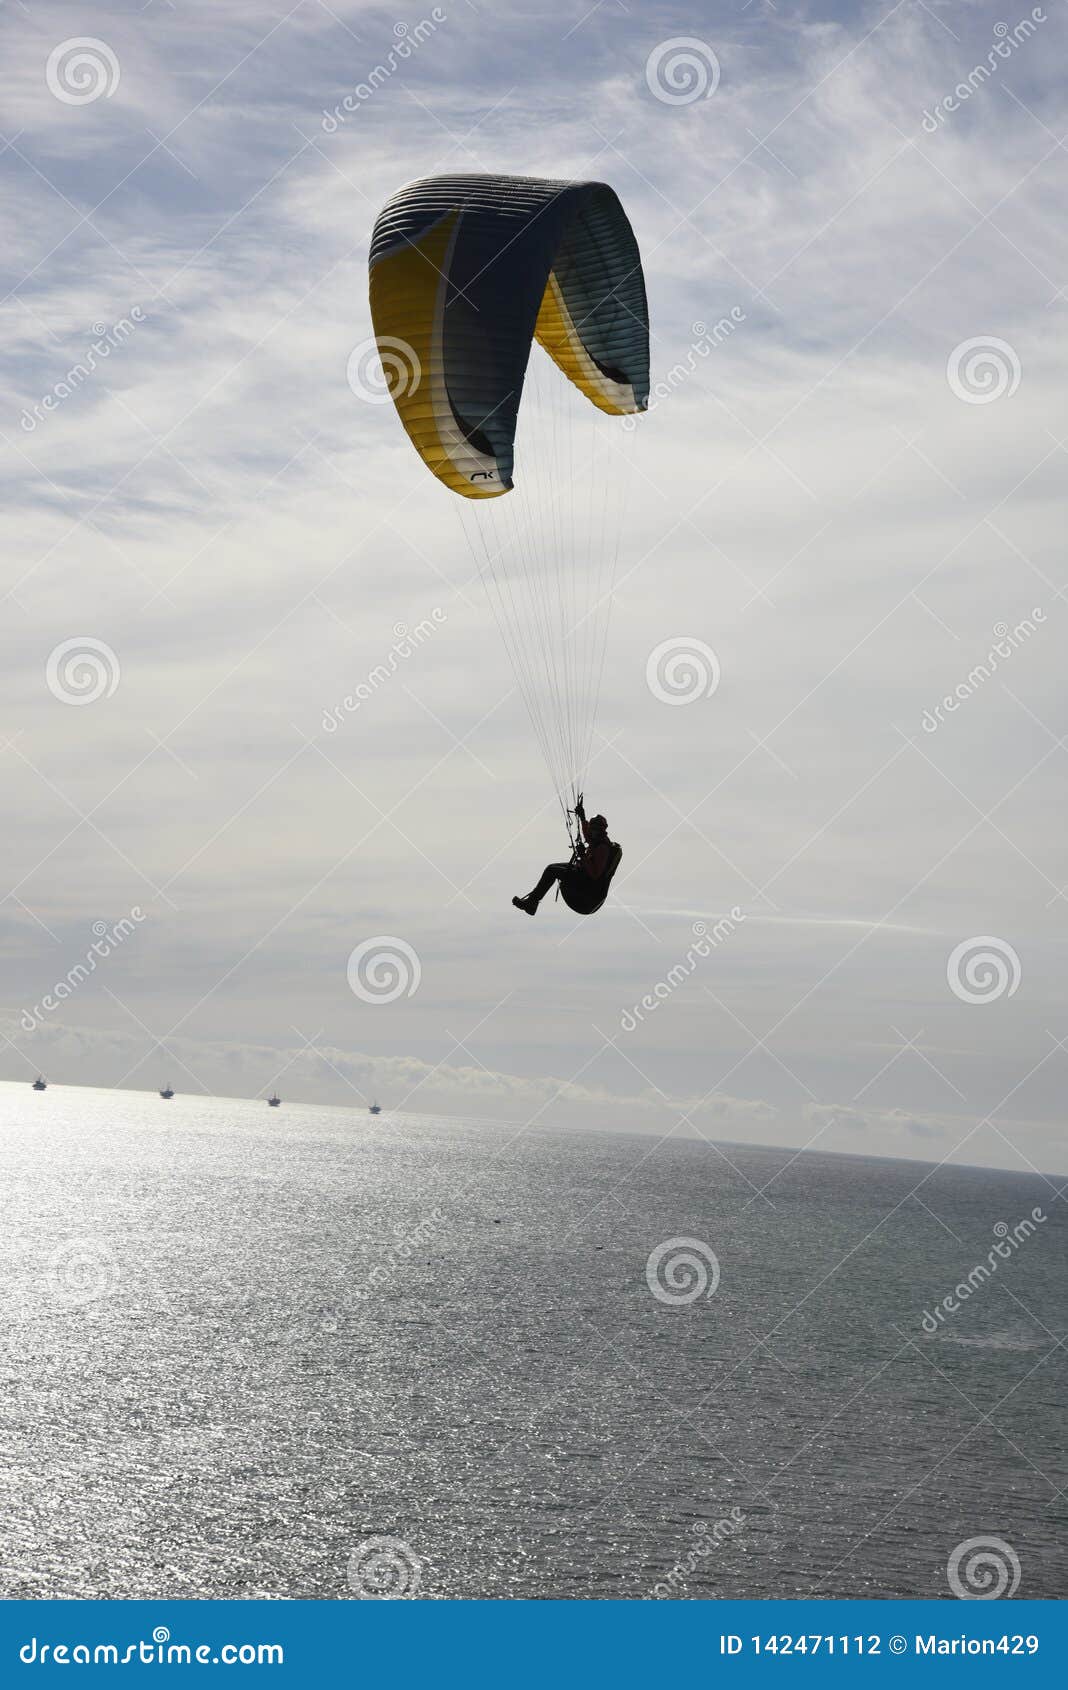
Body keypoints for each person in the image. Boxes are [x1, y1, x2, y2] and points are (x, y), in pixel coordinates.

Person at [512, 798, 621, 917]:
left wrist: (583, 856)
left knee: (552, 871)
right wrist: (582, 818)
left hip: (589, 898)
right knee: (551, 868)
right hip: (587, 889)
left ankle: (531, 903)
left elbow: (595, 875)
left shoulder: (602, 848)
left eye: (593, 829)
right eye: (591, 828)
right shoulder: (596, 841)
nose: (591, 831)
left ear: (600, 830)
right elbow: (587, 835)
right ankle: (532, 902)